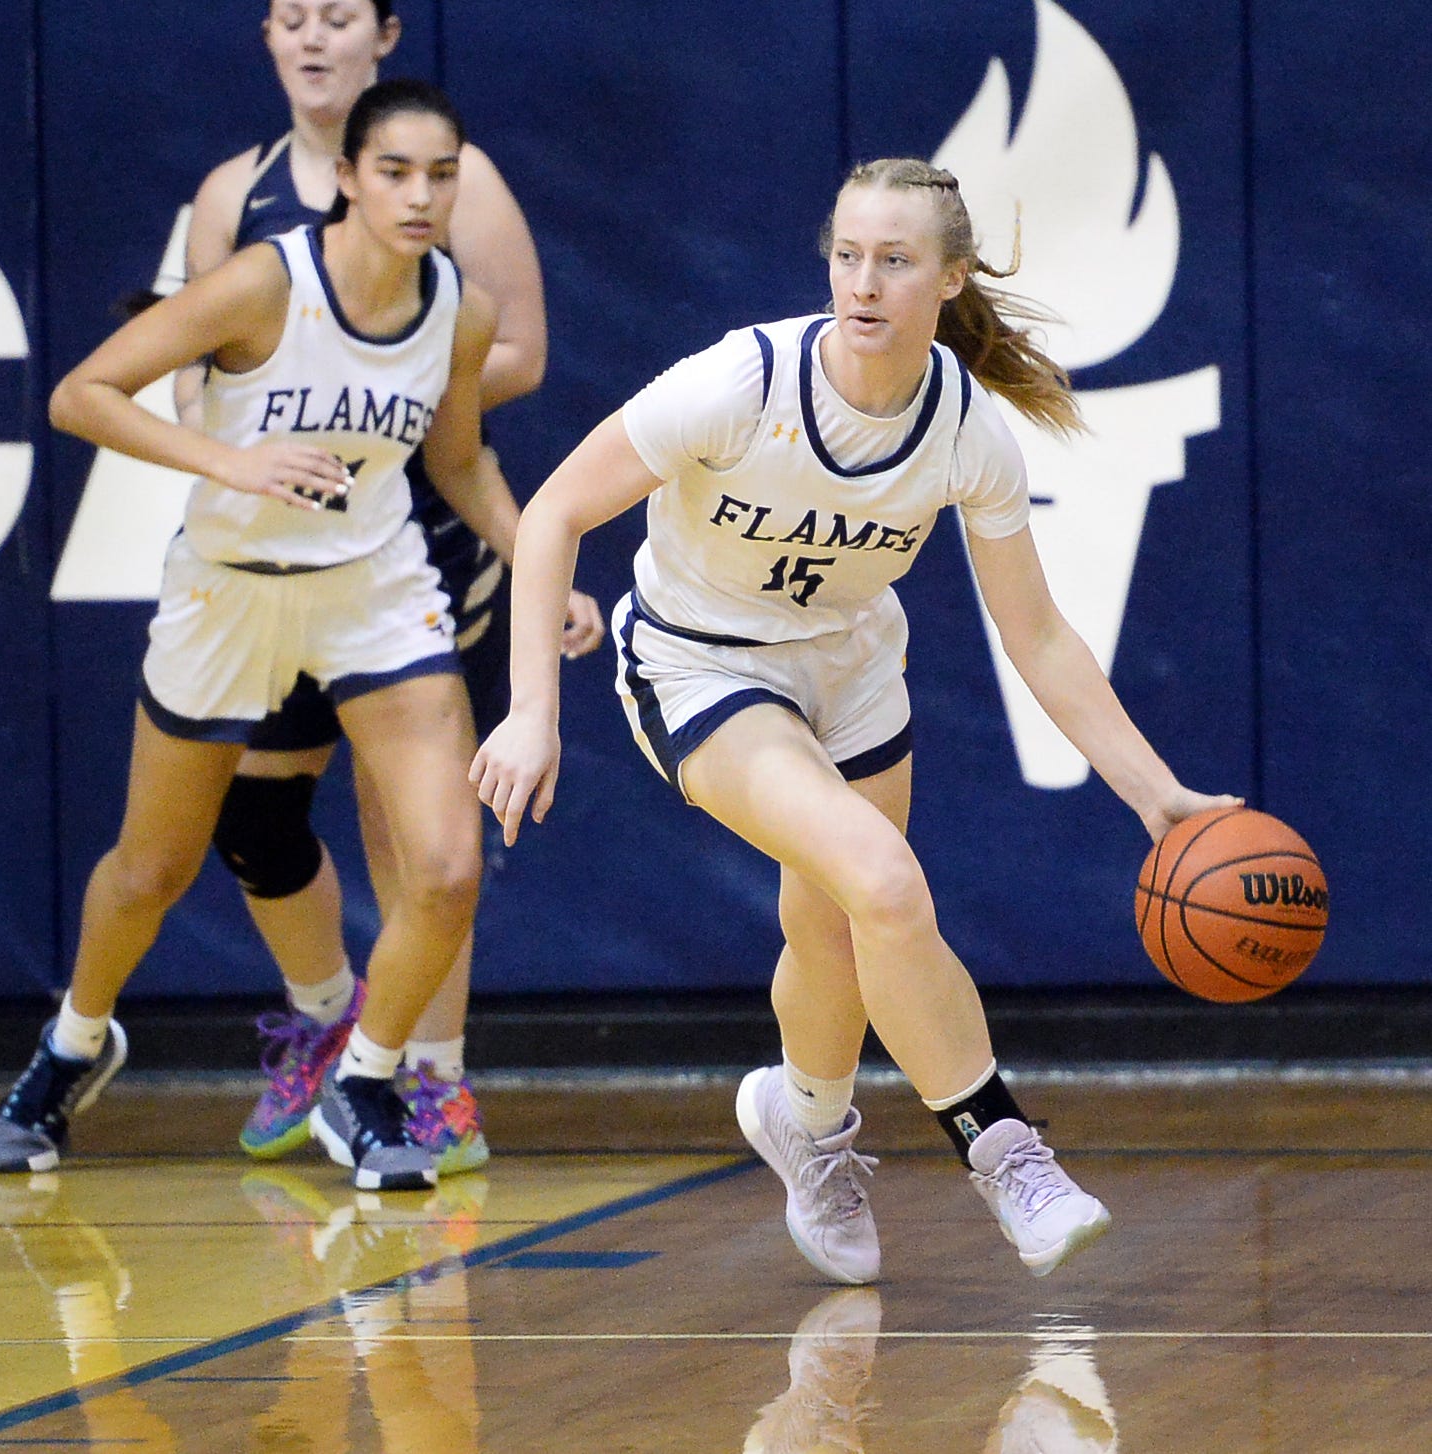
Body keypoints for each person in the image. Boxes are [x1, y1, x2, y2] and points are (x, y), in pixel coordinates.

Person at [470, 157, 1243, 1278]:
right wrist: (532, 709)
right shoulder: (743, 381)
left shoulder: (968, 429)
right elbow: (552, 515)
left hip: (852, 667)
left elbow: (1037, 635)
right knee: (881, 879)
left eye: (894, 259)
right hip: (699, 663)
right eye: (846, 254)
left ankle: (806, 1119)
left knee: (834, 925)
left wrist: (1152, 787)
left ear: (950, 277)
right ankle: (1006, 1148)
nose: (864, 281)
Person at [0, 78, 519, 1191]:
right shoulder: (267, 282)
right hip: (228, 588)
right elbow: (82, 394)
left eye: (442, 174)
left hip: (375, 585)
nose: (422, 196)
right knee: (152, 868)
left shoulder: (459, 308)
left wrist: (536, 560)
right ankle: (73, 1042)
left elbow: (458, 459)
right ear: (350, 180)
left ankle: (362, 1078)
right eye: (396, 172)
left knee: (449, 864)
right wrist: (232, 459)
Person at [177, 0, 603, 1175]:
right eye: (290, 18)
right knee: (251, 813)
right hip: (276, 546)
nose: (313, 39)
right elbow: (192, 374)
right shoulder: (236, 196)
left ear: (386, 36)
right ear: (266, 36)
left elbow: (510, 348)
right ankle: (327, 1025)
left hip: (414, 534)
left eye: (337, 17)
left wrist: (384, 378)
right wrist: (260, 419)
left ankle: (434, 1081)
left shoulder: (461, 185)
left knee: (411, 828)